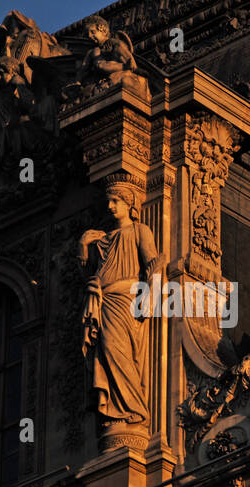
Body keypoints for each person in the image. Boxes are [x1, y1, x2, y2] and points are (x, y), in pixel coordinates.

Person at [78, 180, 160, 439]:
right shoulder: (103, 240)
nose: (111, 206)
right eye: (109, 202)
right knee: (106, 355)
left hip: (125, 302)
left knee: (119, 352)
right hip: (103, 303)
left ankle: (132, 408)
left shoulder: (139, 230)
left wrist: (149, 298)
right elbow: (87, 272)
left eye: (116, 201)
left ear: (129, 204)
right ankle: (116, 409)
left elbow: (153, 265)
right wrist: (82, 245)